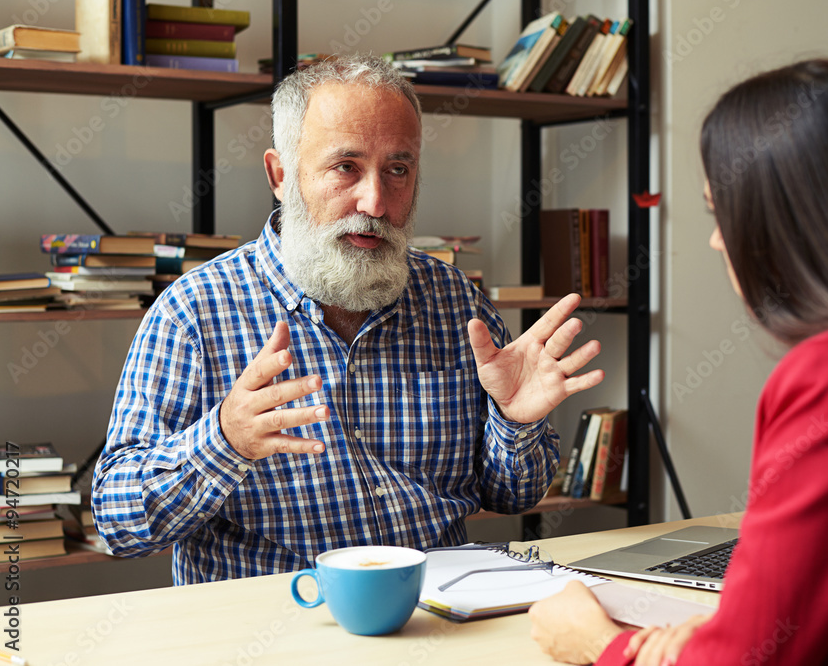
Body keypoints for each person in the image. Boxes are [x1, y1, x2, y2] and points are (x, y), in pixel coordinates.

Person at [529, 58, 828, 665]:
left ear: (786, 221)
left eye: (721, 213)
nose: (719, 240)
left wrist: (601, 646)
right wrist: (739, 629)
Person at [92, 53, 604, 585]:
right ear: (281, 174)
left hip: (432, 614)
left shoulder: (456, 303)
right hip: (272, 630)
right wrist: (225, 440)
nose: (375, 201)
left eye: (398, 170)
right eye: (346, 167)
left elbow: (513, 494)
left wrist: (515, 422)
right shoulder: (193, 313)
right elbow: (117, 525)